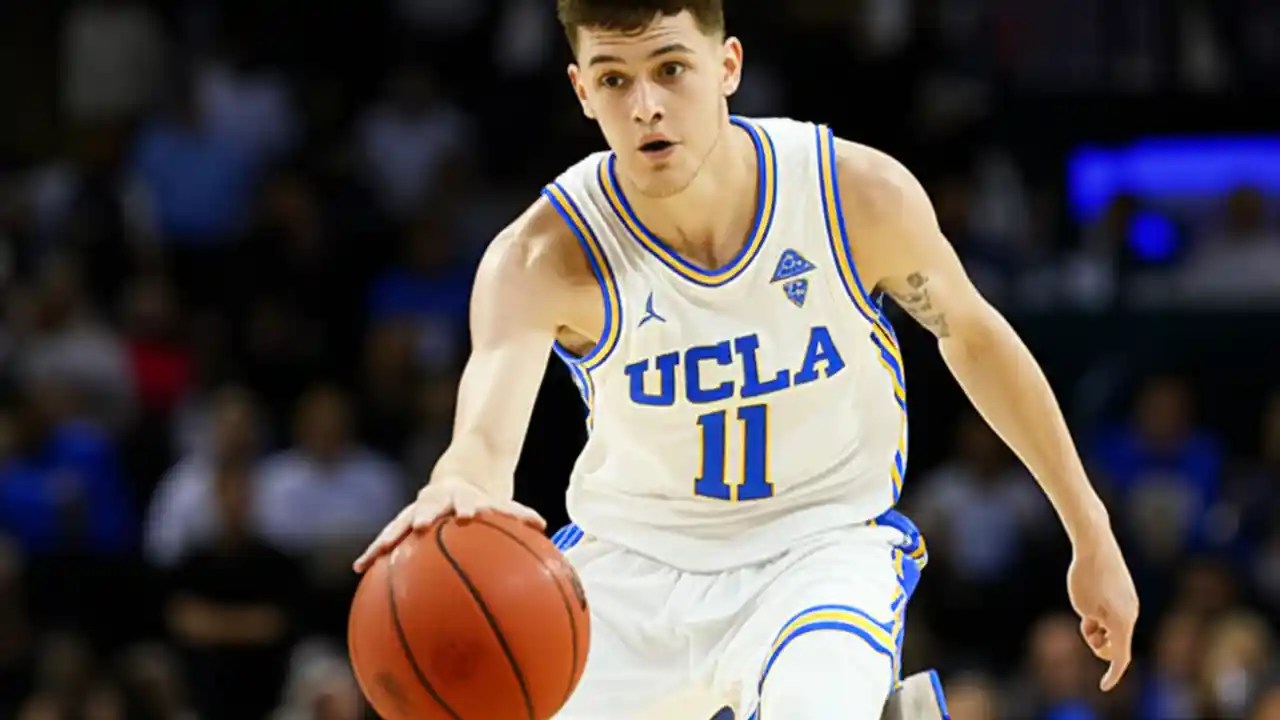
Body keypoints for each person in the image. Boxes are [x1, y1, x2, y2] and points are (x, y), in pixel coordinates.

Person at [353, 1, 1141, 718]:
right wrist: (453, 488)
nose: (646, 106)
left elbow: (971, 335)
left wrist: (1090, 527)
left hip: (820, 545)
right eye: (614, 79)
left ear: (727, 65)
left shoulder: (850, 194)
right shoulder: (541, 256)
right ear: (581, 91)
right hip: (632, 564)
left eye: (670, 69)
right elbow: (484, 443)